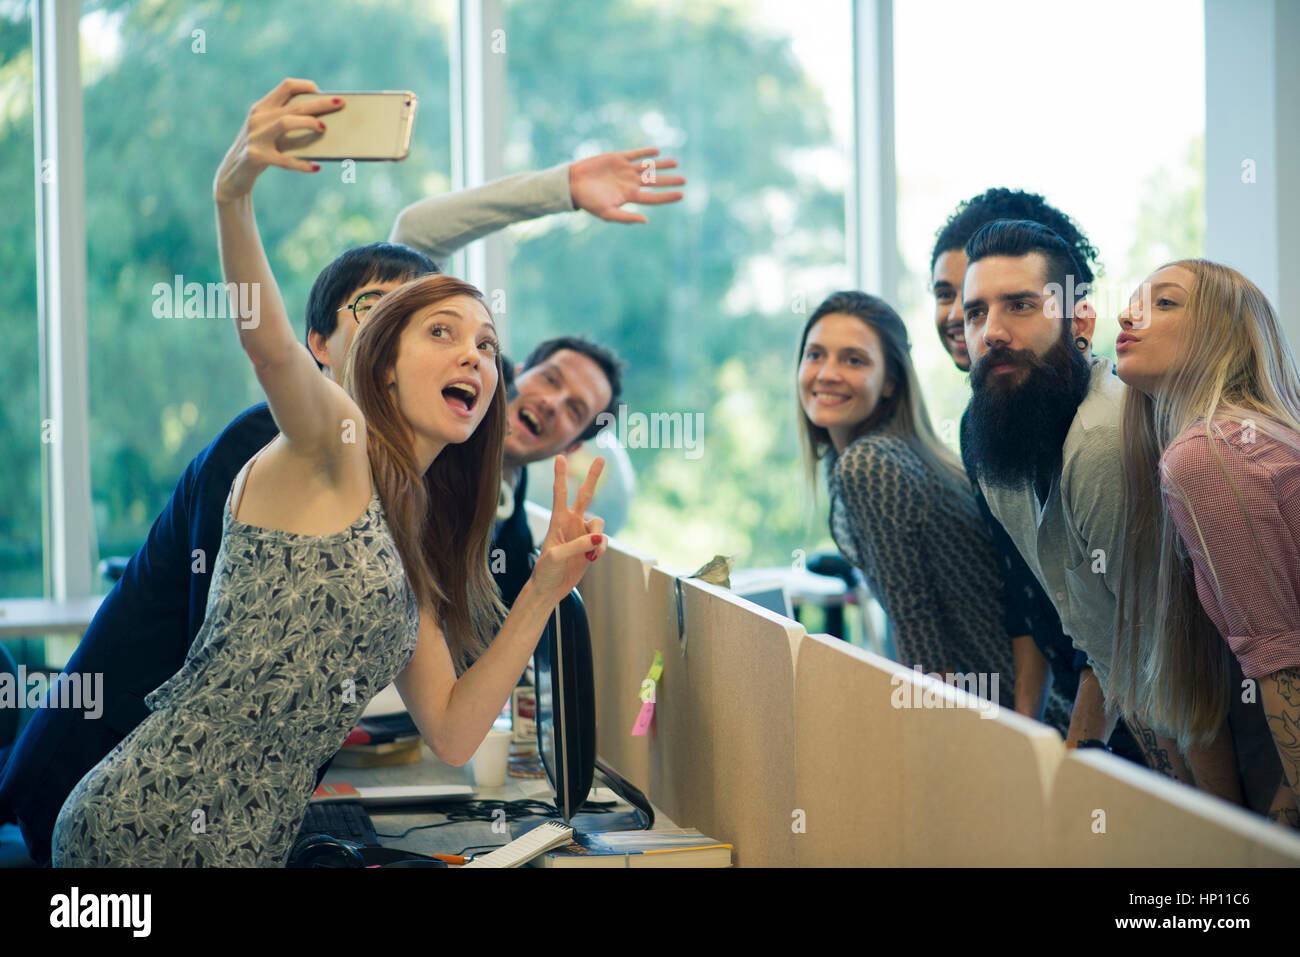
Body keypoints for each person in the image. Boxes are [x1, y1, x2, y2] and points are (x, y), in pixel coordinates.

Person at [0, 76, 679, 865]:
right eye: (443, 330)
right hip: (143, 833)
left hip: (246, 846)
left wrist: (545, 587)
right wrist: (235, 191)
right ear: (378, 360)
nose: (475, 352)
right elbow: (269, 343)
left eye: (488, 344)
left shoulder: (411, 526)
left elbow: (456, 728)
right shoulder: (335, 439)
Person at [959, 219, 1216, 790]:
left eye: (1020, 305)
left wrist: (1220, 830)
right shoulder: (995, 441)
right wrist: (1074, 765)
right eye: (976, 313)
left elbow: (1169, 662)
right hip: (1158, 740)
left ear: (1079, 322)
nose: (991, 331)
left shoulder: (1101, 439)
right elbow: (1103, 637)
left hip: (1233, 751)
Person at [1113, 259, 1300, 826]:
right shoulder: (1253, 436)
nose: (1129, 314)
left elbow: (1279, 658)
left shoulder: (1208, 453)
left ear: (1227, 336)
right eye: (1135, 301)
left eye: (1164, 303)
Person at [797, 291, 1028, 708]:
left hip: (999, 722)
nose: (827, 373)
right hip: (1003, 711)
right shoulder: (894, 454)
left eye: (853, 360)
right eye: (815, 355)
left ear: (890, 382)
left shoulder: (869, 464)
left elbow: (924, 651)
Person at [929, 189, 1101, 733]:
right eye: (953, 296)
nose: (963, 317)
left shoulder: (1103, 428)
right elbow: (1021, 590)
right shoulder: (984, 427)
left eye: (1016, 302)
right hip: (1072, 711)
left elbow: (1121, 628)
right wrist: (1026, 731)